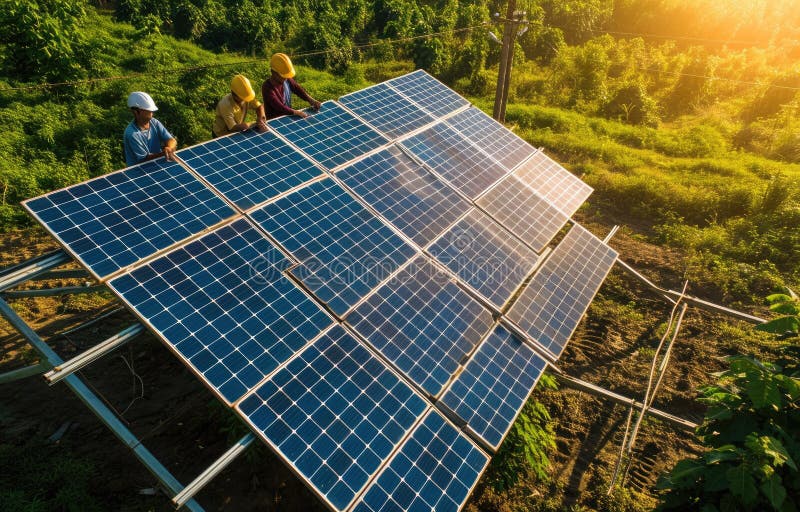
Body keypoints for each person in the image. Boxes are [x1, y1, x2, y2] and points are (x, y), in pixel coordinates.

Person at [123, 92, 177, 167]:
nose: (151, 112)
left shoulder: (154, 122)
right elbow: (145, 159)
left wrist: (169, 148)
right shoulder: (132, 133)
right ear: (136, 112)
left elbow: (171, 140)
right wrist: (163, 153)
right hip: (139, 171)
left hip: (156, 165)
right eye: (148, 110)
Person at [261, 53, 322, 119]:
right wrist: (296, 112)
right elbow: (279, 106)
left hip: (288, 116)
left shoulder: (286, 80)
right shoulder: (267, 87)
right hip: (275, 121)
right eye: (283, 75)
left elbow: (298, 89)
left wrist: (311, 100)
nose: (285, 78)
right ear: (273, 72)